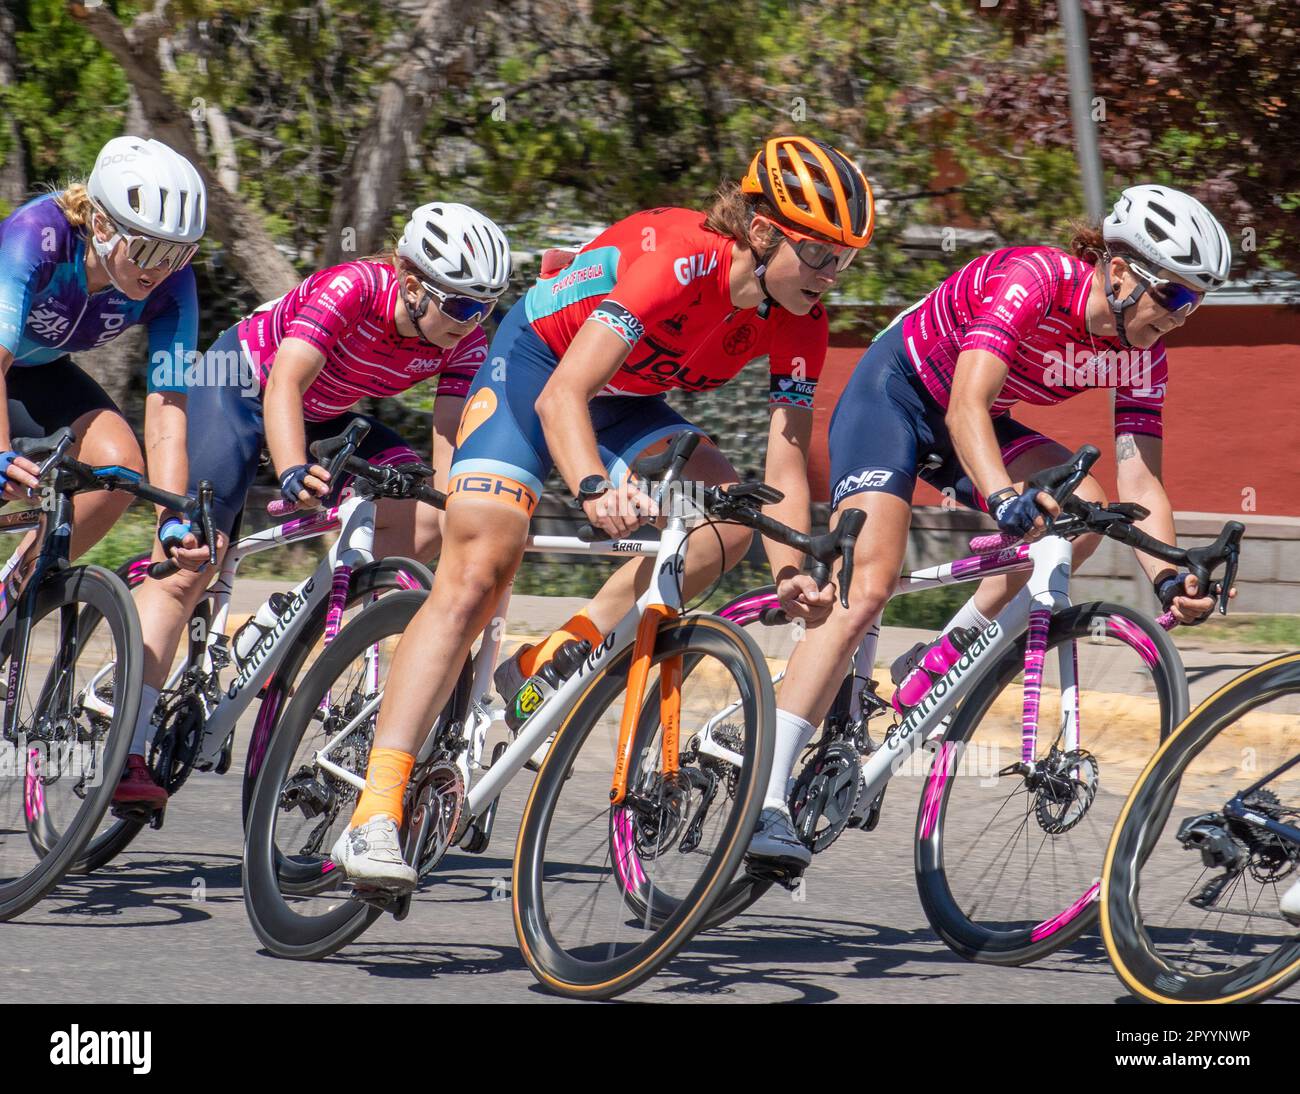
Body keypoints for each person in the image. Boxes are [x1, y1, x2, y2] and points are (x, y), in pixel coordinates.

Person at [331, 135, 876, 891]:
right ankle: (376, 812)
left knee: (728, 521)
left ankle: (558, 653)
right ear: (761, 231)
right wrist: (592, 487)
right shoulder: (678, 262)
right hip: (537, 372)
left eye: (843, 262)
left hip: (625, 405)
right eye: (818, 255)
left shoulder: (799, 321)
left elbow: (784, 457)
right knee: (480, 565)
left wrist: (791, 571)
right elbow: (562, 396)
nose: (829, 277)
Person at [751, 183, 1236, 871]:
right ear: (1121, 271)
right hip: (900, 395)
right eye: (1176, 297)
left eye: (1196, 304)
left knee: (1083, 513)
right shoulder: (1035, 279)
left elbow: (1138, 482)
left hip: (973, 422)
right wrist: (1003, 494)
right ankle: (764, 801)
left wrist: (1168, 569)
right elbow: (966, 405)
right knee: (871, 583)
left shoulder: (1141, 352)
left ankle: (946, 655)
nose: (1181, 319)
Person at [116, 202, 510, 805]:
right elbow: (285, 385)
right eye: (460, 304)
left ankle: (297, 625)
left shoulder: (463, 338)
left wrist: (458, 497)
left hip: (328, 413)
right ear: (411, 284)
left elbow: (451, 431)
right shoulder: (351, 288)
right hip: (241, 387)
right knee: (194, 560)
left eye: (484, 306)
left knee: (428, 519)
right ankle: (129, 745)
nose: (471, 320)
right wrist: (293, 465)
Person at [0, 135, 202, 609]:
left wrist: (171, 516)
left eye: (178, 254)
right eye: (149, 250)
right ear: (102, 225)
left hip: (38, 372)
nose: (162, 270)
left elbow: (168, 406)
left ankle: (13, 597)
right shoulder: (38, 235)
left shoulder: (173, 287)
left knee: (119, 469)